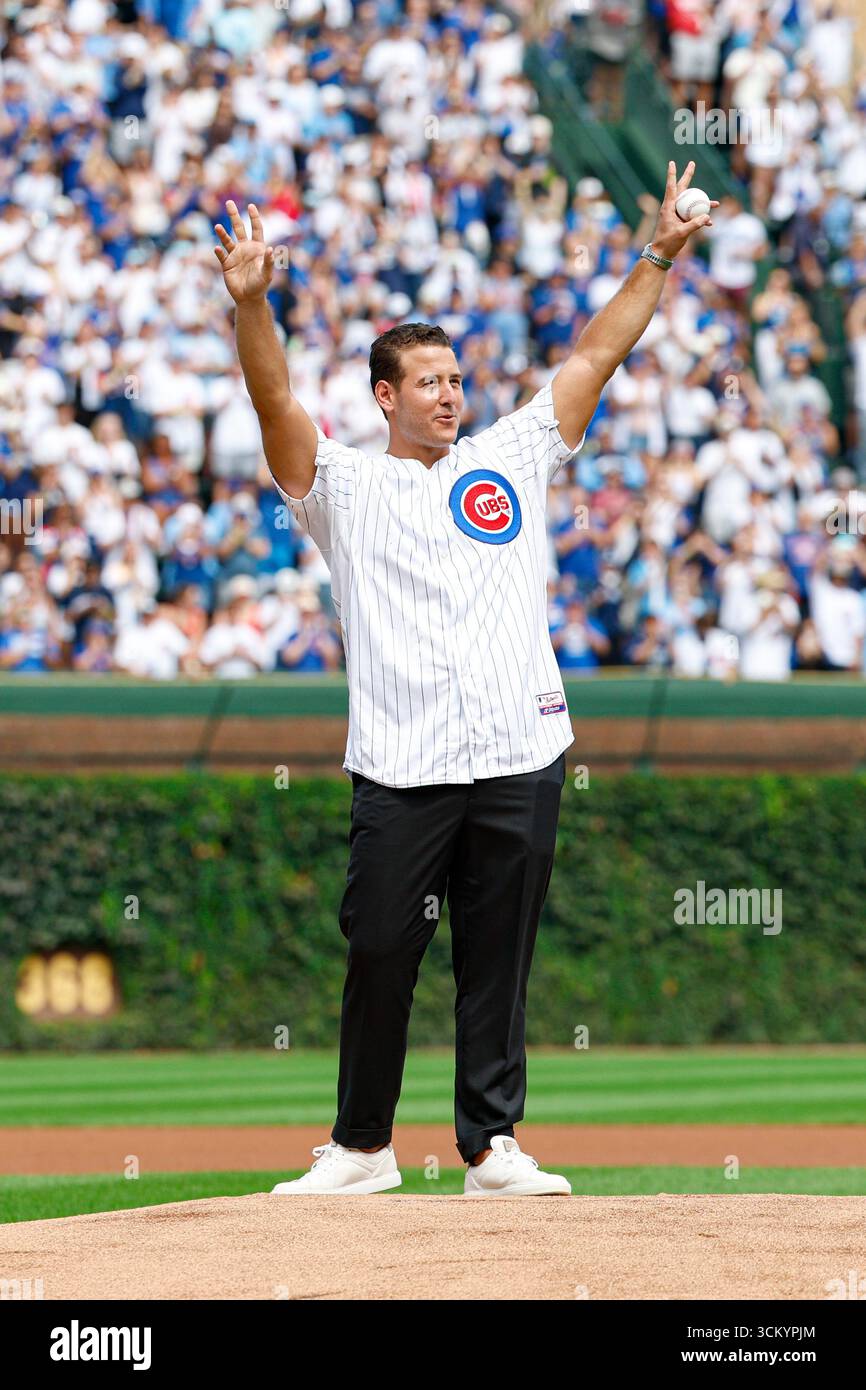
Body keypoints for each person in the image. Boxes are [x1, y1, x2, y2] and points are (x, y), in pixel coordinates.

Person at [213, 169, 716, 1197]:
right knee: (382, 949)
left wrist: (658, 252)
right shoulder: (340, 485)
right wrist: (253, 303)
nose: (450, 393)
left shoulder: (511, 453)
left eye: (454, 377)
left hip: (519, 749)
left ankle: (490, 1147)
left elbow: (595, 351)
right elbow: (273, 398)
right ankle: (360, 1149)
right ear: (384, 396)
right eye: (428, 381)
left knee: (497, 957)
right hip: (400, 759)